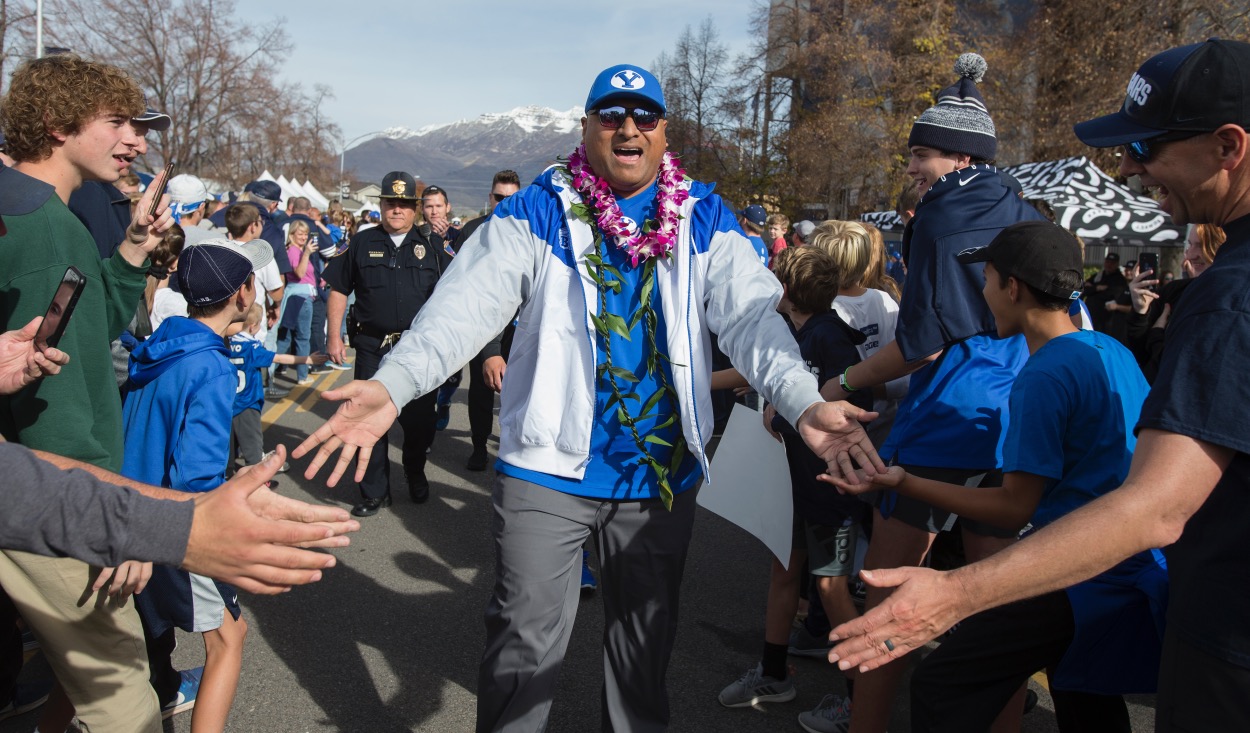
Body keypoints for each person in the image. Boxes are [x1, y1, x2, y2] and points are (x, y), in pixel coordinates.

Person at [294, 62, 882, 732]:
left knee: (642, 657)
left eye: (644, 115)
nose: (628, 127)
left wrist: (804, 401)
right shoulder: (537, 209)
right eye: (612, 114)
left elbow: (752, 319)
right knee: (522, 646)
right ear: (586, 128)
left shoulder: (701, 215)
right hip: (546, 470)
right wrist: (393, 384)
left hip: (658, 475)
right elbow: (461, 311)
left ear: (663, 132)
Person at [824, 38, 1250, 733]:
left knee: (925, 640)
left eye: (1145, 147)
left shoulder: (1215, 299)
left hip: (1182, 610)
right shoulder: (1095, 339)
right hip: (1131, 575)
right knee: (1033, 660)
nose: (1127, 166)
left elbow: (1154, 506)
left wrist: (953, 590)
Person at [830, 220, 1164, 733]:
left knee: (943, 684)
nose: (981, 294)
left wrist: (903, 482)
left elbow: (1013, 508)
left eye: (986, 279)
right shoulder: (1110, 350)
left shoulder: (1044, 374)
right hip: (1132, 561)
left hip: (1080, 569)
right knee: (1084, 698)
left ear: (1013, 288)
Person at [820, 52, 1045, 733]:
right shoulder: (1022, 205)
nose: (912, 167)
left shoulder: (941, 216)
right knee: (993, 608)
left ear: (959, 157)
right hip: (1015, 411)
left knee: (889, 596)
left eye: (921, 154)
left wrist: (841, 381)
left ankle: (865, 723)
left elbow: (922, 344)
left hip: (949, 412)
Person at [0, 54, 174, 733]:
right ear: (56, 123)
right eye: (117, 122)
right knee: (124, 701)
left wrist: (132, 249)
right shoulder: (44, 225)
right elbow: (60, 409)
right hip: (50, 485)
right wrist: (106, 519)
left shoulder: (38, 211)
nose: (136, 140)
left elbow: (86, 326)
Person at [121, 237, 274, 729]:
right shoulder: (211, 366)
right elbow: (196, 476)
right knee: (229, 638)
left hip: (122, 511)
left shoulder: (159, 345)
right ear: (242, 294)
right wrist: (243, 490)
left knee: (110, 650)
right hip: (170, 525)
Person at [717, 246, 872, 724]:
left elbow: (850, 403)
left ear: (783, 292)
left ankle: (862, 701)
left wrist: (783, 414)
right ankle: (773, 673)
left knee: (831, 588)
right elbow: (764, 374)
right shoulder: (796, 333)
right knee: (784, 573)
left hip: (830, 490)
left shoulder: (832, 339)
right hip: (795, 487)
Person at [323, 171, 453, 517]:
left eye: (404, 204)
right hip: (372, 347)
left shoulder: (434, 247)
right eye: (390, 203)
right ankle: (374, 492)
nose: (397, 209)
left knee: (419, 423)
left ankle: (415, 471)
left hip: (417, 351)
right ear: (381, 205)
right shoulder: (361, 242)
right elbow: (338, 289)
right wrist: (333, 336)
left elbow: (454, 294)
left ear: (415, 208)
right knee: (367, 419)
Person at [453, 169, 522, 471]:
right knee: (482, 389)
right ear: (490, 197)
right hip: (481, 325)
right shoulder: (472, 231)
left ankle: (511, 448)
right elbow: (455, 279)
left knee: (516, 392)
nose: (504, 203)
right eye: (498, 197)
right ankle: (479, 446)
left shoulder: (531, 231)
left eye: (511, 198)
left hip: (519, 329)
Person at [230, 302, 327, 468]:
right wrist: (307, 360)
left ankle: (226, 474)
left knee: (229, 444)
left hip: (228, 402)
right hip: (247, 402)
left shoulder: (227, 344)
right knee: (252, 444)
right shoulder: (252, 348)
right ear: (253, 326)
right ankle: (258, 476)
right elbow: (279, 358)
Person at [275, 219, 317, 385]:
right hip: (301, 297)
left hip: (299, 296)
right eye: (300, 234)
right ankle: (302, 375)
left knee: (286, 337)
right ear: (292, 234)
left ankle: (268, 371)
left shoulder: (296, 249)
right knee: (302, 337)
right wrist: (306, 253)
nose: (304, 237)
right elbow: (299, 274)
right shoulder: (294, 251)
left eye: (306, 234)